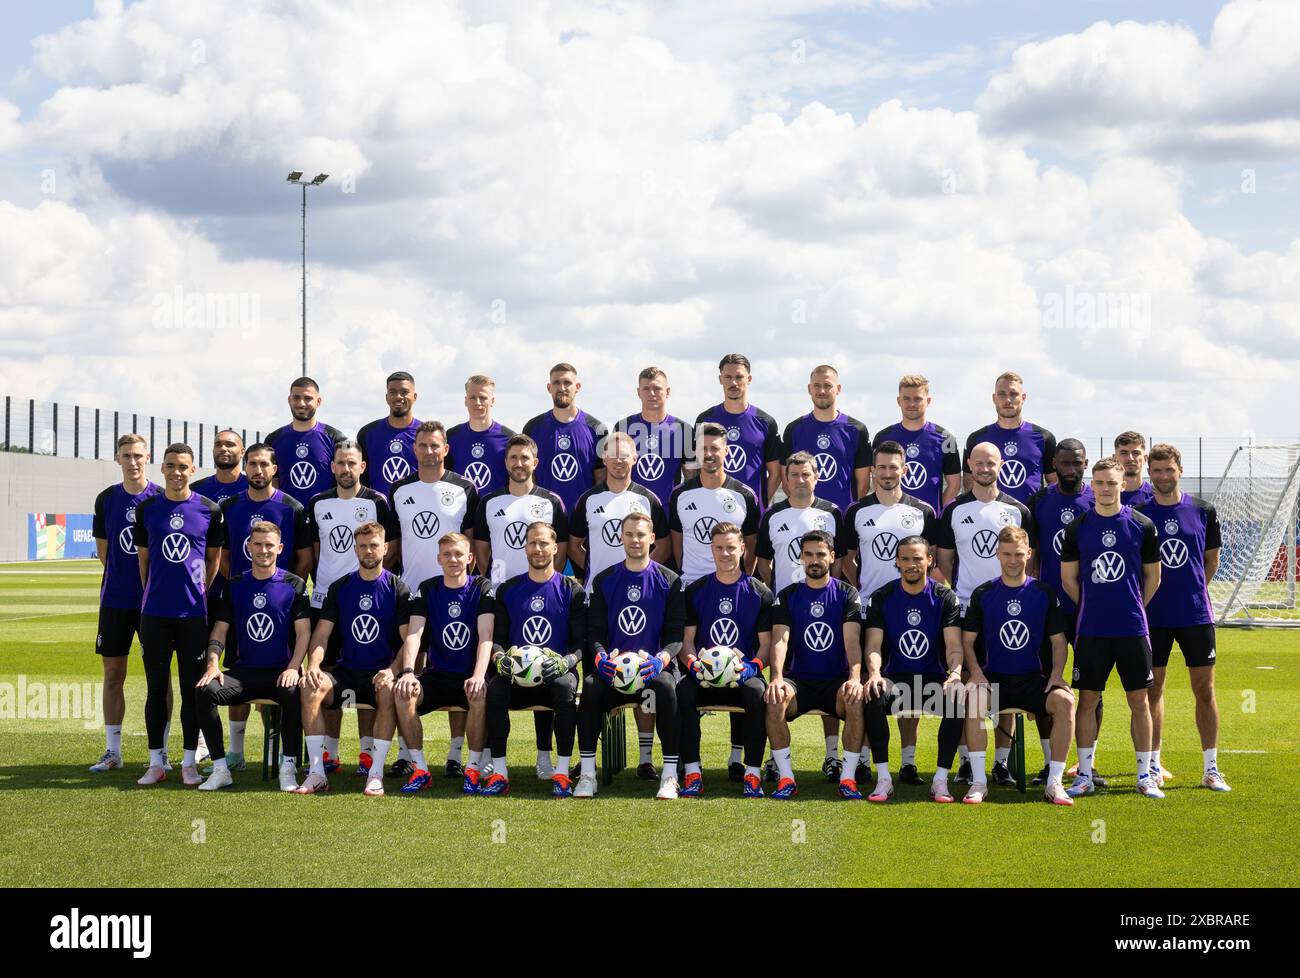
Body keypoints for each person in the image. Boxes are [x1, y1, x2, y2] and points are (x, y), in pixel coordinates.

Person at [1061, 458, 1163, 798]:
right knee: (1088, 699)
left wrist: (1132, 605)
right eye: (1100, 483)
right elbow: (1069, 581)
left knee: (1139, 701)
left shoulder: (1142, 525)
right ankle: (1085, 774)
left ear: (1123, 484)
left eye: (1111, 482)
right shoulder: (1078, 528)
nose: (1105, 488)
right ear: (1093, 486)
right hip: (1091, 629)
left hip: (1132, 628)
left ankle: (1144, 774)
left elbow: (1153, 577)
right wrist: (1096, 604)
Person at [387, 420, 480, 777]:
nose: (428, 451)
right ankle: (406, 753)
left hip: (454, 593)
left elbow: (470, 544)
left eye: (434, 445)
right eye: (422, 445)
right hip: (412, 594)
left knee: (456, 668)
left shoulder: (463, 488)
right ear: (415, 449)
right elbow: (393, 548)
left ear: (445, 449)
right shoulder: (399, 490)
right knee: (409, 672)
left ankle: (456, 755)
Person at [936, 441, 1033, 784]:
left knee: (1006, 681)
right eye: (978, 462)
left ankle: (1001, 763)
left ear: (1001, 465)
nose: (984, 467)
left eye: (990, 462)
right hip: (965, 609)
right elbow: (944, 559)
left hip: (1009, 612)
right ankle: (966, 761)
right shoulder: (953, 510)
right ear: (969, 465)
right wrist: (964, 592)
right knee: (966, 684)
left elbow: (1025, 559)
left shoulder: (1018, 510)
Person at [669, 422, 761, 780]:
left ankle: (738, 758)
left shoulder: (744, 495)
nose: (708, 455)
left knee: (736, 665)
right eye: (702, 449)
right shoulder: (680, 495)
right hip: (693, 593)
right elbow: (676, 547)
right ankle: (687, 766)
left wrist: (738, 581)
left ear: (726, 452)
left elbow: (749, 547)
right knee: (693, 677)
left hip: (736, 590)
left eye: (715, 449)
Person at [303, 439, 400, 775]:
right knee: (329, 674)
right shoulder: (318, 503)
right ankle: (328, 752)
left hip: (371, 597)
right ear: (333, 467)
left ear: (363, 466)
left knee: (367, 670)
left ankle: (366, 752)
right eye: (340, 463)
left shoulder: (377, 501)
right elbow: (316, 552)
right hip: (329, 599)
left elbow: (393, 547)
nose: (346, 469)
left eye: (352, 463)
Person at [960, 526, 1075, 805]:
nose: (1013, 560)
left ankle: (1055, 783)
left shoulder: (1043, 593)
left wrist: (1057, 676)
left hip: (1033, 680)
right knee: (973, 699)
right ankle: (978, 782)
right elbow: (967, 640)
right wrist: (975, 672)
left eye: (1019, 554)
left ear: (1030, 554)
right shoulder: (983, 593)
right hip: (994, 680)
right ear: (997, 554)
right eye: (1007, 554)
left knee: (1065, 702)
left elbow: (1059, 642)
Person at [1138, 443, 1230, 791]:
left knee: (1204, 689)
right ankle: (1154, 764)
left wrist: (1192, 591)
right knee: (1153, 690)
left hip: (1195, 614)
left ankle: (1211, 768)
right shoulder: (1141, 515)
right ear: (1150, 473)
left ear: (1180, 470)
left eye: (1169, 470)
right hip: (1154, 616)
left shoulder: (1204, 510)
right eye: (1157, 471)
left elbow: (1211, 561)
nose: (1163, 477)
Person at [295, 522, 411, 795]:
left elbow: (410, 642)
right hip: (347, 673)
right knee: (311, 686)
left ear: (385, 548)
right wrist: (313, 665)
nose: (368, 551)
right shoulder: (340, 587)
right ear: (355, 549)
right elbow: (321, 635)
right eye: (362, 546)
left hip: (379, 673)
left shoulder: (398, 588)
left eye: (373, 545)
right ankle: (316, 772)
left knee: (387, 690)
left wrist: (393, 670)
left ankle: (375, 773)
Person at [216, 442, 312, 769]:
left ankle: (283, 751)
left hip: (280, 606)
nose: (258, 470)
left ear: (275, 469)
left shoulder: (292, 508)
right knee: (239, 669)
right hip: (241, 604)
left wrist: (282, 590)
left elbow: (304, 557)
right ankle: (236, 752)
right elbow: (223, 557)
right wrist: (244, 587)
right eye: (252, 464)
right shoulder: (229, 506)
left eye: (264, 465)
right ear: (245, 468)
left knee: (281, 676)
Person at [195, 521, 311, 792]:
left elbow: (304, 633)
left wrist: (294, 667)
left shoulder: (294, 585)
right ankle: (221, 768)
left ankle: (288, 767)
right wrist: (212, 664)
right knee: (204, 691)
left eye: (269, 545)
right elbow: (220, 631)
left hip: (280, 672)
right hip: (244, 673)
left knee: (294, 693)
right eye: (257, 544)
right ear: (248, 546)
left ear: (280, 548)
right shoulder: (235, 585)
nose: (263, 550)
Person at [577, 511, 685, 799]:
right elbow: (596, 631)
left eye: (641, 535)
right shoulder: (605, 579)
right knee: (588, 686)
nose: (635, 540)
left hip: (652, 669)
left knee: (666, 686)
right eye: (629, 534)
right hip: (615, 668)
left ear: (652, 539)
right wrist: (601, 658)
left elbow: (676, 635)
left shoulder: (670, 580)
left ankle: (670, 775)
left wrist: (661, 659)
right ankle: (587, 773)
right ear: (620, 537)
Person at [134, 444, 223, 786]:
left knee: (191, 690)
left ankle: (189, 761)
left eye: (183, 467)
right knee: (156, 687)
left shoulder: (208, 509)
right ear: (162, 468)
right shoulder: (148, 509)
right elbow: (144, 561)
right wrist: (153, 594)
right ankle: (157, 761)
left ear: (192, 469)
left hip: (192, 615)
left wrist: (198, 589)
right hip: (154, 613)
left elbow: (213, 560)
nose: (176, 472)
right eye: (170, 466)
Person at [481, 523, 588, 797]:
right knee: (494, 690)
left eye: (543, 543)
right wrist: (498, 656)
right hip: (517, 674)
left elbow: (580, 644)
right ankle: (500, 772)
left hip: (555, 672)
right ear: (525, 547)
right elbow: (499, 638)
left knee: (565, 688)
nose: (538, 549)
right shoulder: (507, 590)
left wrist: (567, 662)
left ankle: (562, 772)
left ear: (555, 547)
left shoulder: (572, 590)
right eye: (532, 543)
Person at [388, 533, 495, 794]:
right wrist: (409, 673)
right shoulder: (428, 588)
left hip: (470, 675)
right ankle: (421, 769)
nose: (453, 559)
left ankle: (472, 769)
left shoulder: (482, 587)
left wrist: (479, 675)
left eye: (458, 554)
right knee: (403, 694)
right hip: (438, 675)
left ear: (470, 558)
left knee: (478, 694)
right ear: (439, 559)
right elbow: (414, 633)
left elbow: (486, 637)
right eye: (447, 554)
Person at [1026, 438, 1107, 786]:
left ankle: (1086, 763)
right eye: (1064, 463)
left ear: (1085, 464)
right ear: (1053, 465)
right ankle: (1050, 761)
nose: (1070, 470)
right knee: (1048, 684)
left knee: (1091, 688)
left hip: (1089, 610)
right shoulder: (1039, 501)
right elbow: (1035, 555)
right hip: (1050, 608)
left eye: (1076, 463)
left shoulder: (1097, 500)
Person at [860, 537, 964, 803]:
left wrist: (954, 675)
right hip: (895, 679)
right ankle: (884, 778)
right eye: (905, 559)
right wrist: (874, 674)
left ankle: (940, 780)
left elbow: (953, 645)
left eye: (917, 558)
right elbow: (873, 644)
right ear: (896, 562)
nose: (911, 565)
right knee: (872, 694)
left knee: (958, 699)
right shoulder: (882, 597)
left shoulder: (944, 597)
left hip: (932, 680)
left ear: (929, 560)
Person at [764, 531, 866, 800]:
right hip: (799, 682)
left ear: (832, 557)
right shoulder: (788, 595)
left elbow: (852, 641)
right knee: (775, 698)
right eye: (808, 554)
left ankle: (848, 778)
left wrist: (855, 678)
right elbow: (780, 640)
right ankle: (786, 778)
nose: (814, 560)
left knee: (855, 698)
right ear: (801, 557)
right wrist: (776, 678)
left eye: (821, 554)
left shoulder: (847, 593)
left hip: (835, 683)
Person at [675, 522, 774, 798]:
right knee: (682, 691)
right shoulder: (696, 590)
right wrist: (693, 663)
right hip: (704, 674)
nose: (725, 553)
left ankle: (752, 774)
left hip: (742, 672)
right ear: (712, 549)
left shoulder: (759, 592)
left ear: (742, 549)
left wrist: (752, 667)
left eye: (731, 547)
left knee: (757, 692)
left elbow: (766, 645)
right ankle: (693, 772)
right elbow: (687, 640)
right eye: (719, 547)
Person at [89, 434, 162, 772]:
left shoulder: (161, 497)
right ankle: (112, 751)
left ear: (147, 457)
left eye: (137, 455)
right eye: (126, 456)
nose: (132, 461)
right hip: (116, 601)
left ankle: (159, 752)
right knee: (113, 672)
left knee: (157, 677)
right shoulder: (106, 499)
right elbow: (106, 553)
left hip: (155, 603)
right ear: (117, 459)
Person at [779, 365, 871, 514]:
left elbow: (863, 484)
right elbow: (786, 481)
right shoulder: (794, 429)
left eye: (827, 386)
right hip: (803, 516)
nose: (822, 391)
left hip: (842, 517)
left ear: (838, 388)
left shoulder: (856, 430)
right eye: (817, 386)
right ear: (809, 388)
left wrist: (847, 512)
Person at [695, 353, 782, 510]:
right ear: (720, 379)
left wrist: (759, 504)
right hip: (712, 506)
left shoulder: (766, 422)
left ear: (749, 379)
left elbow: (775, 473)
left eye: (739, 377)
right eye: (728, 377)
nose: (733, 382)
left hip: (750, 511)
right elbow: (696, 466)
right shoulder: (705, 419)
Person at [523, 362, 607, 519]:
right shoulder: (533, 428)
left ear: (578, 386)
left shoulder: (598, 429)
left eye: (567, 382)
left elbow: (601, 479)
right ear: (549, 388)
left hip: (584, 517)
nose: (562, 388)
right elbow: (529, 476)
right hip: (544, 516)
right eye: (556, 383)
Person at [872, 374, 961, 515]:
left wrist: (937, 514)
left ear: (928, 401)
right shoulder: (883, 437)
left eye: (918, 399)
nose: (912, 404)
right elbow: (876, 477)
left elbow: (954, 483)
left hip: (930, 522)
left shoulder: (946, 438)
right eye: (906, 398)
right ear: (898, 401)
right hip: (890, 515)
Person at [962, 372, 1056, 504]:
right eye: (1002, 394)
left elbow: (1054, 483)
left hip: (1030, 519)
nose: (1007, 400)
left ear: (1023, 398)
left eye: (1013, 394)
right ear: (994, 398)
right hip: (988, 518)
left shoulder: (1044, 437)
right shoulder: (977, 438)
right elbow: (969, 484)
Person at [614, 366, 691, 515]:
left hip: (669, 513)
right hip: (629, 512)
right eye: (646, 389)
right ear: (638, 392)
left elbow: (691, 478)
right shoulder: (623, 427)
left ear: (667, 392)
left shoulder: (684, 430)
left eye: (657, 388)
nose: (652, 394)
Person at [264, 376, 347, 509]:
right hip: (287, 515)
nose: (301, 403)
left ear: (318, 401)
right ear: (289, 400)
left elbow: (345, 481)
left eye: (308, 398)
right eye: (296, 397)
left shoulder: (335, 438)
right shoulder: (273, 439)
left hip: (325, 516)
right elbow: (272, 483)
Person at [445, 374, 519, 497]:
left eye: (483, 397)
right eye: (473, 397)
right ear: (466, 401)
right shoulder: (451, 436)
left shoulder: (509, 438)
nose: (477, 403)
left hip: (496, 511)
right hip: (460, 511)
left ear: (492, 401)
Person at [356, 371, 421, 498]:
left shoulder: (425, 434)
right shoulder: (368, 433)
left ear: (415, 396)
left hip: (415, 509)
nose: (398, 396)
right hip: (379, 510)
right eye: (393, 392)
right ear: (386, 397)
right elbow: (361, 478)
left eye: (404, 392)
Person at [1115, 431, 1156, 507]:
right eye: (1124, 453)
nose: (1130, 458)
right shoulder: (1103, 496)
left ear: (1145, 458)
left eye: (1136, 453)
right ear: (1115, 458)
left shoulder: (1157, 496)